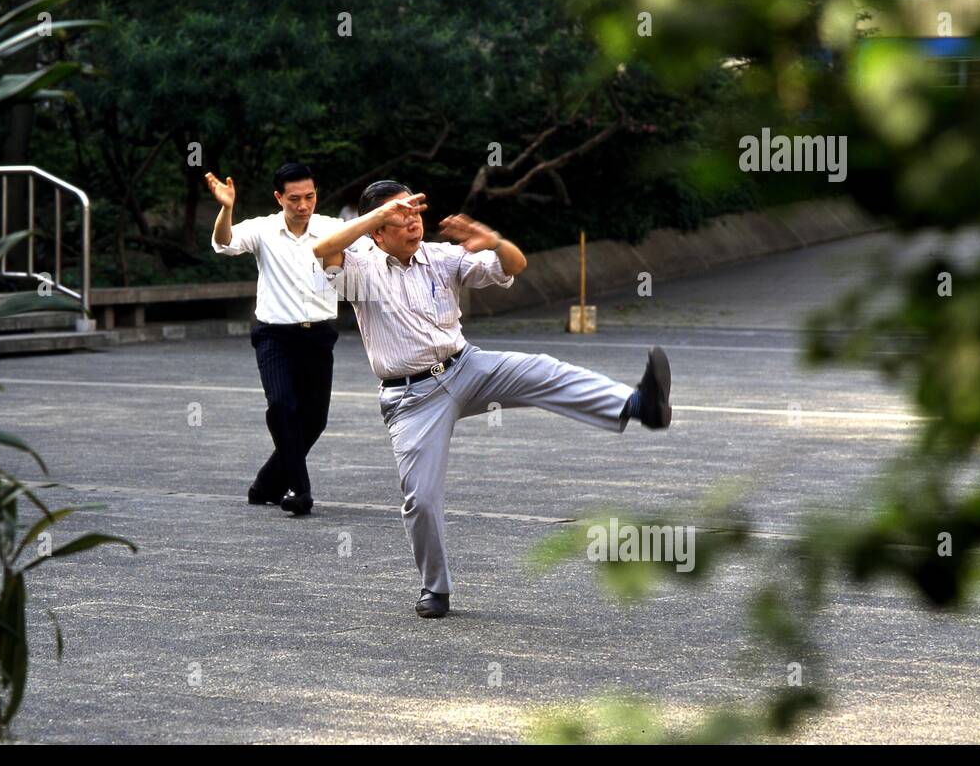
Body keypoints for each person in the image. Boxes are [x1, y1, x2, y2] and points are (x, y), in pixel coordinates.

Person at [312, 180, 672, 619]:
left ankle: (637, 405)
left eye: (415, 213)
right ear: (377, 231)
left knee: (542, 369)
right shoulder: (361, 269)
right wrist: (376, 215)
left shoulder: (441, 257)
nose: (411, 222)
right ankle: (435, 588)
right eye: (398, 216)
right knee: (421, 499)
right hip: (412, 397)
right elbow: (322, 250)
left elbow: (514, 265)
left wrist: (496, 242)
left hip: (466, 367)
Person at [207, 162, 348, 516]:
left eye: (310, 197)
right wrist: (227, 208)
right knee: (282, 406)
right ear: (279, 198)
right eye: (295, 198)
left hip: (319, 336)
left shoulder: (332, 228)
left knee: (314, 420)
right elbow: (224, 243)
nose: (304, 205)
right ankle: (300, 491)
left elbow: (364, 242)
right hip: (274, 336)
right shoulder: (263, 230)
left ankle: (266, 484)